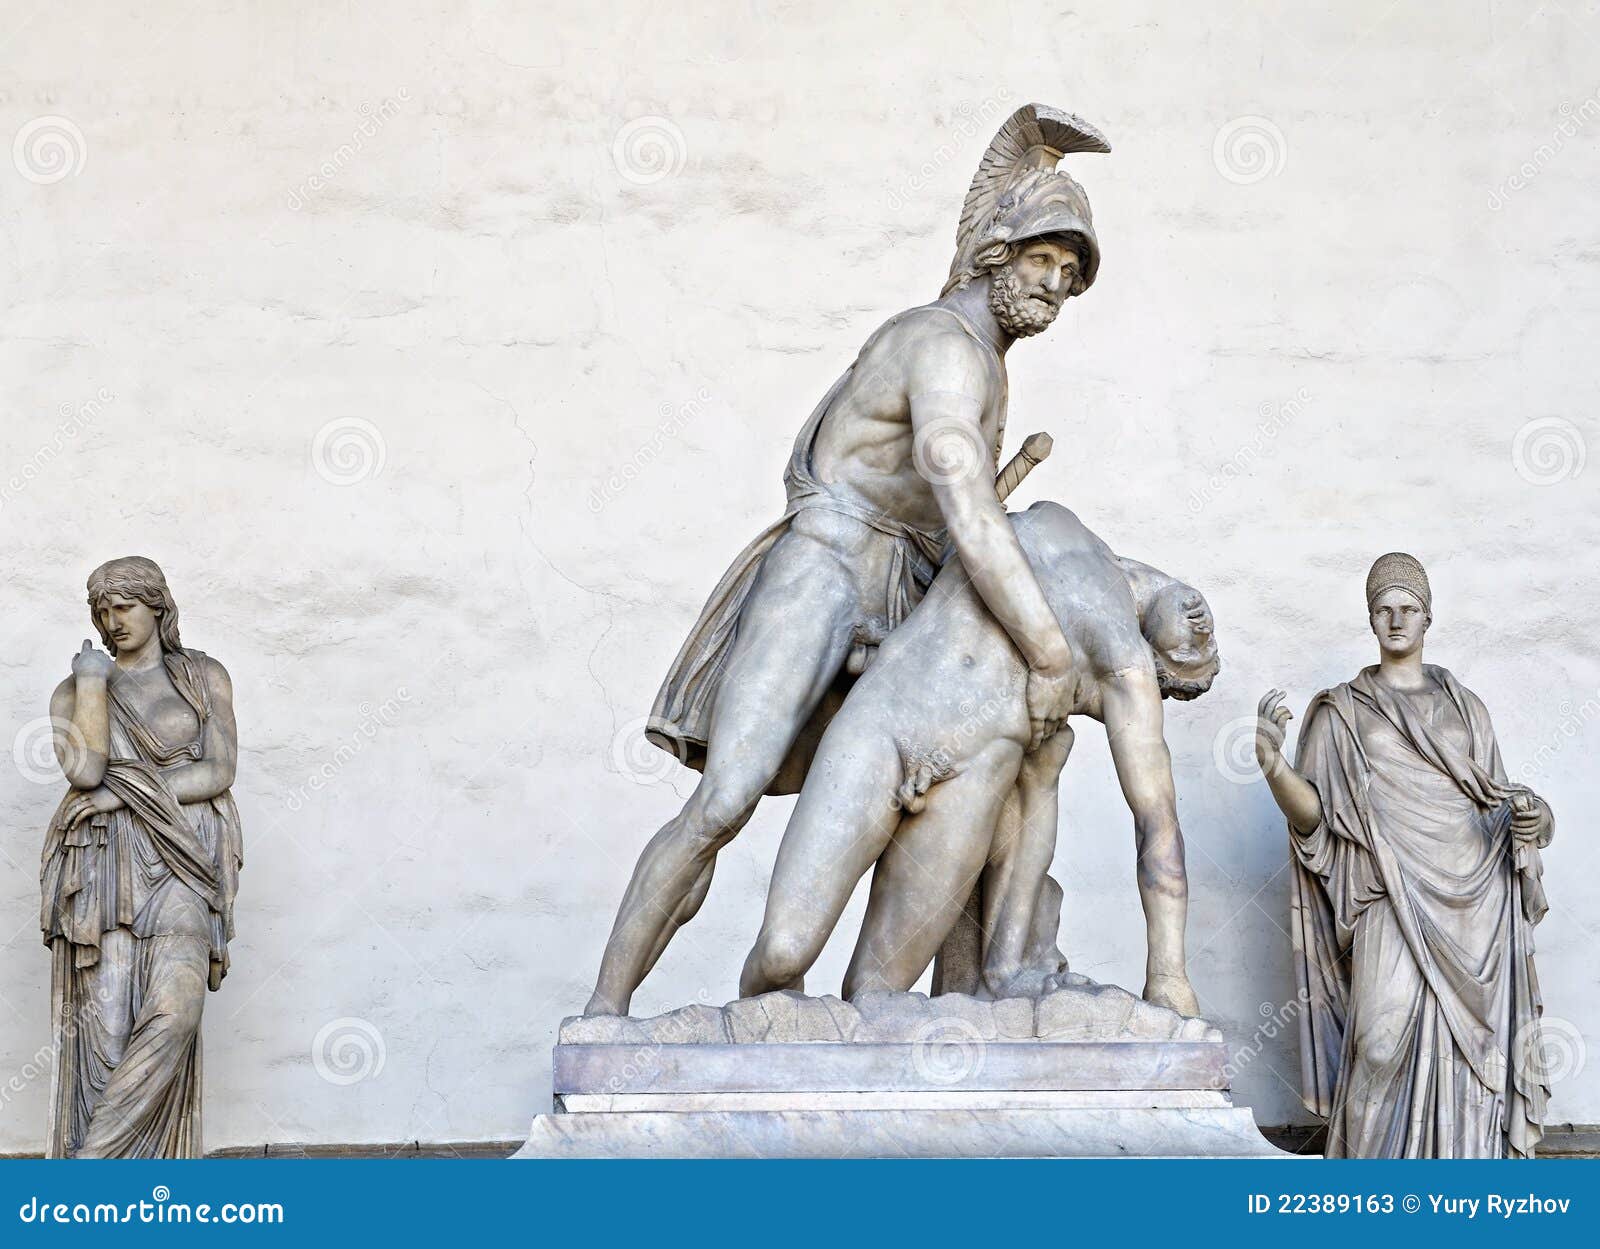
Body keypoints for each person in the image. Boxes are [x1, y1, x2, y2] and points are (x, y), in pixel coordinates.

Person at [586, 106, 1114, 1015]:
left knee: (968, 770)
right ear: (997, 251)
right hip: (826, 573)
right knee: (725, 801)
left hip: (904, 589)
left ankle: (959, 996)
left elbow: (959, 526)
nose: (1056, 288)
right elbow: (972, 516)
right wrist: (1053, 651)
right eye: (1042, 262)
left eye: (1069, 274)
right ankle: (603, 1011)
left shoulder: (985, 359)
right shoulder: (946, 351)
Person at [739, 502, 1219, 1015]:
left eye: (1195, 656)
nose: (1204, 632)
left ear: (1158, 666)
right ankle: (754, 1058)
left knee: (876, 999)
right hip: (885, 720)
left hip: (965, 785)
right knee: (780, 954)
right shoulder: (1057, 520)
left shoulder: (1126, 669)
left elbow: (1157, 824)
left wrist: (1168, 979)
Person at [1253, 552, 1551, 1157]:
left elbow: (1498, 800)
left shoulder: (1467, 708)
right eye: (1382, 609)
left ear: (1427, 617)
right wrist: (1273, 767)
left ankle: (1456, 1190)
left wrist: (1536, 817)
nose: (1395, 620)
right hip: (1387, 891)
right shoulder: (1342, 712)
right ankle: (1367, 1195)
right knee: (1380, 1042)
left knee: (1470, 1057)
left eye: (1407, 609)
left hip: (1475, 904)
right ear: (1370, 619)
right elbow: (1319, 820)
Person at [41, 557, 242, 1158]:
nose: (112, 620)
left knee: (175, 1012)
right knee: (104, 1034)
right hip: (103, 864)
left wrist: (120, 793)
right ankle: (110, 1185)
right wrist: (94, 685)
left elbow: (219, 769)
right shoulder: (75, 689)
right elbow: (85, 769)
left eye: (124, 606)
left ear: (157, 605)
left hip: (182, 854)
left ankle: (90, 1167)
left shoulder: (204, 678)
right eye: (101, 610)